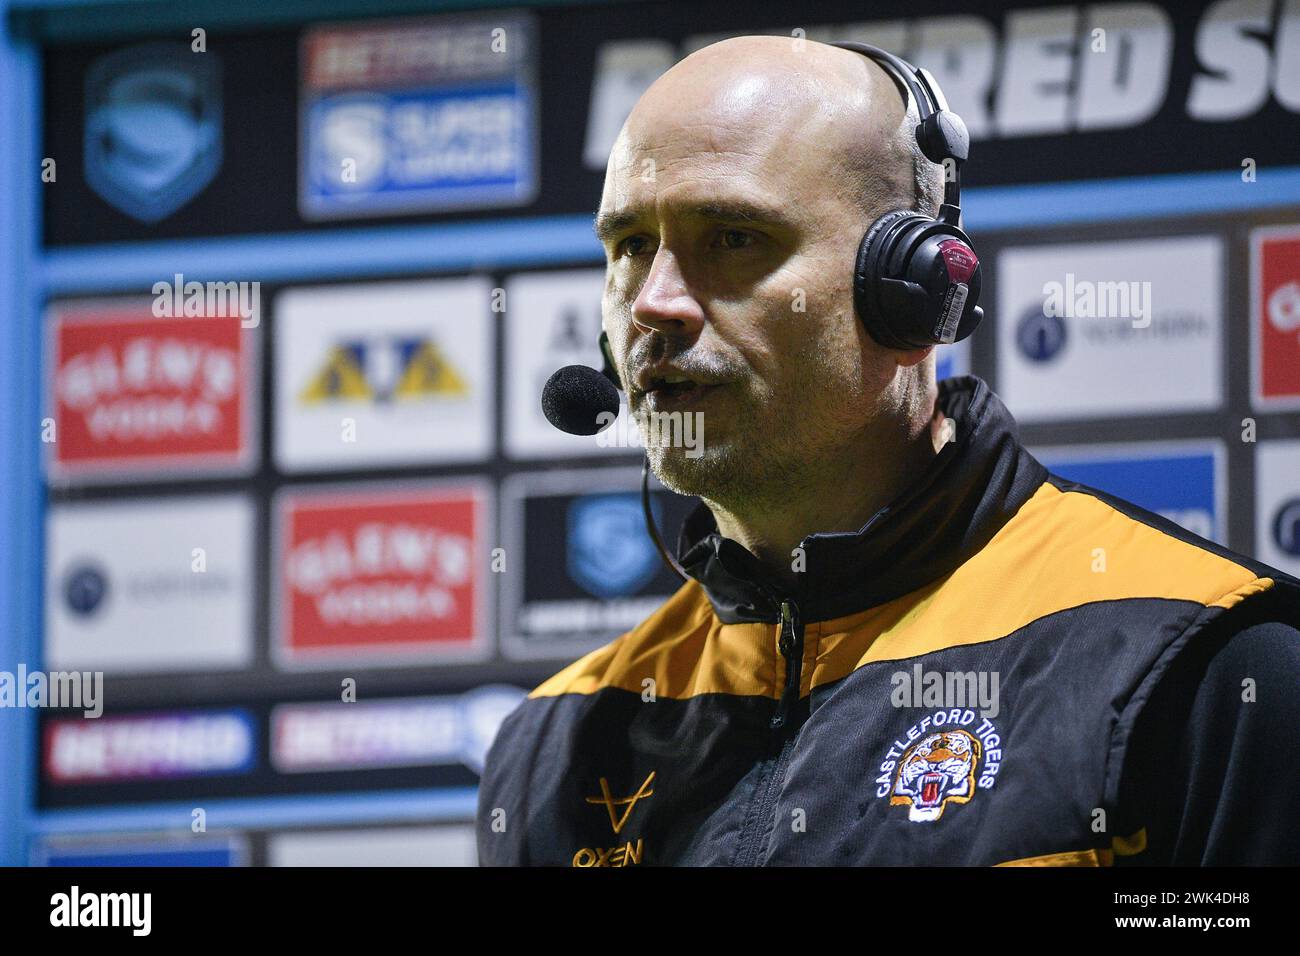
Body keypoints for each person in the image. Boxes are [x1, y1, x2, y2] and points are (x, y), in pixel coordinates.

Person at [476, 35, 1300, 866]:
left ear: (916, 289)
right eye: (630, 246)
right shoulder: (554, 745)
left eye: (732, 238)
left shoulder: (1208, 664)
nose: (655, 305)